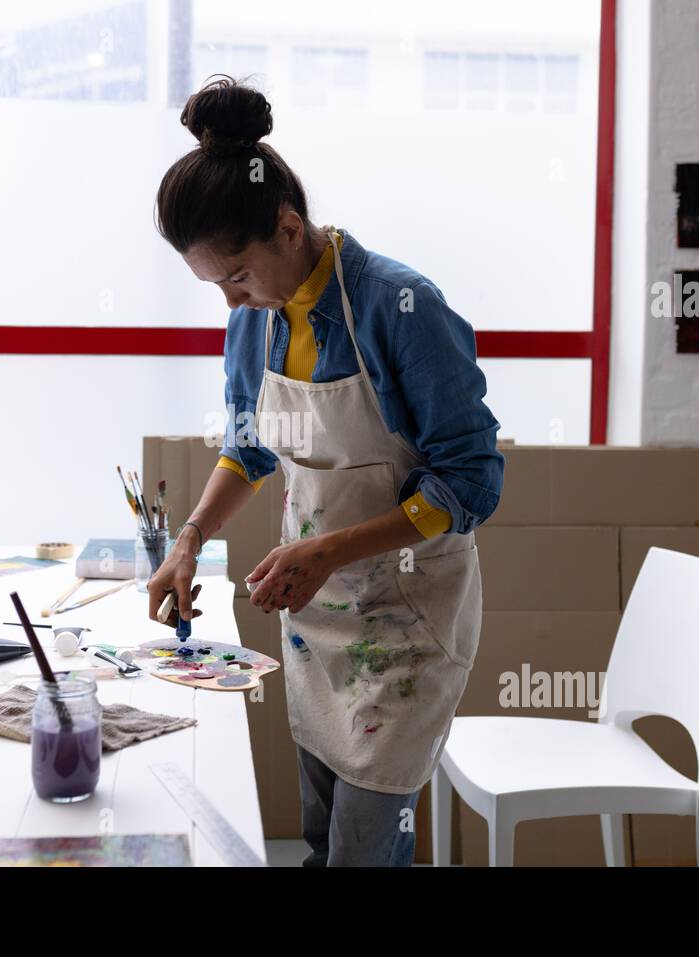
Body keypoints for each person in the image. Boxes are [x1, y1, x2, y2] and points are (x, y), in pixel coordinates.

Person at [149, 75, 504, 867]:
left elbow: (471, 481)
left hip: (409, 620)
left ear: (285, 225)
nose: (232, 303)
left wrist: (326, 551)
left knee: (361, 851)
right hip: (314, 620)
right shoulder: (255, 325)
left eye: (237, 276)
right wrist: (190, 539)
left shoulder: (400, 308)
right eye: (215, 287)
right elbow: (249, 446)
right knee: (322, 839)